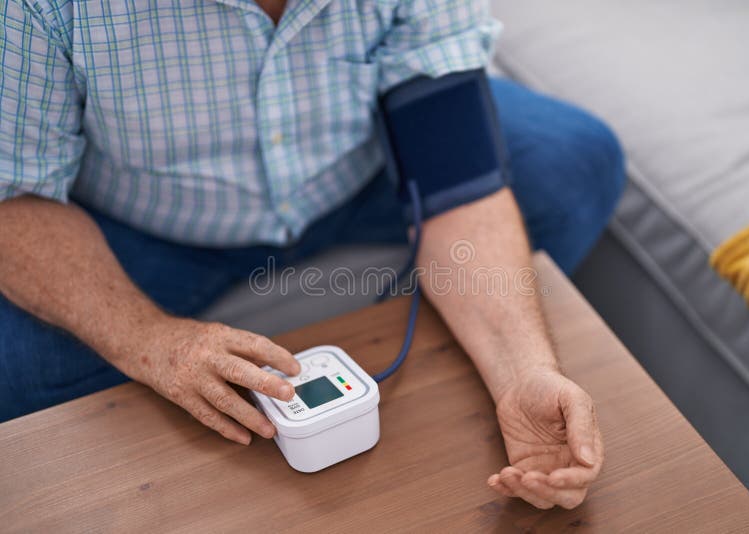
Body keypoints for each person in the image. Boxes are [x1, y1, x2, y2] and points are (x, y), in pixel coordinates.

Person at [0, 0, 624, 510]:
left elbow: (454, 174)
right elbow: (13, 196)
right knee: (14, 366)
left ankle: (439, 315)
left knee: (575, 163)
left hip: (361, 168)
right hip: (143, 220)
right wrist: (151, 341)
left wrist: (522, 374)